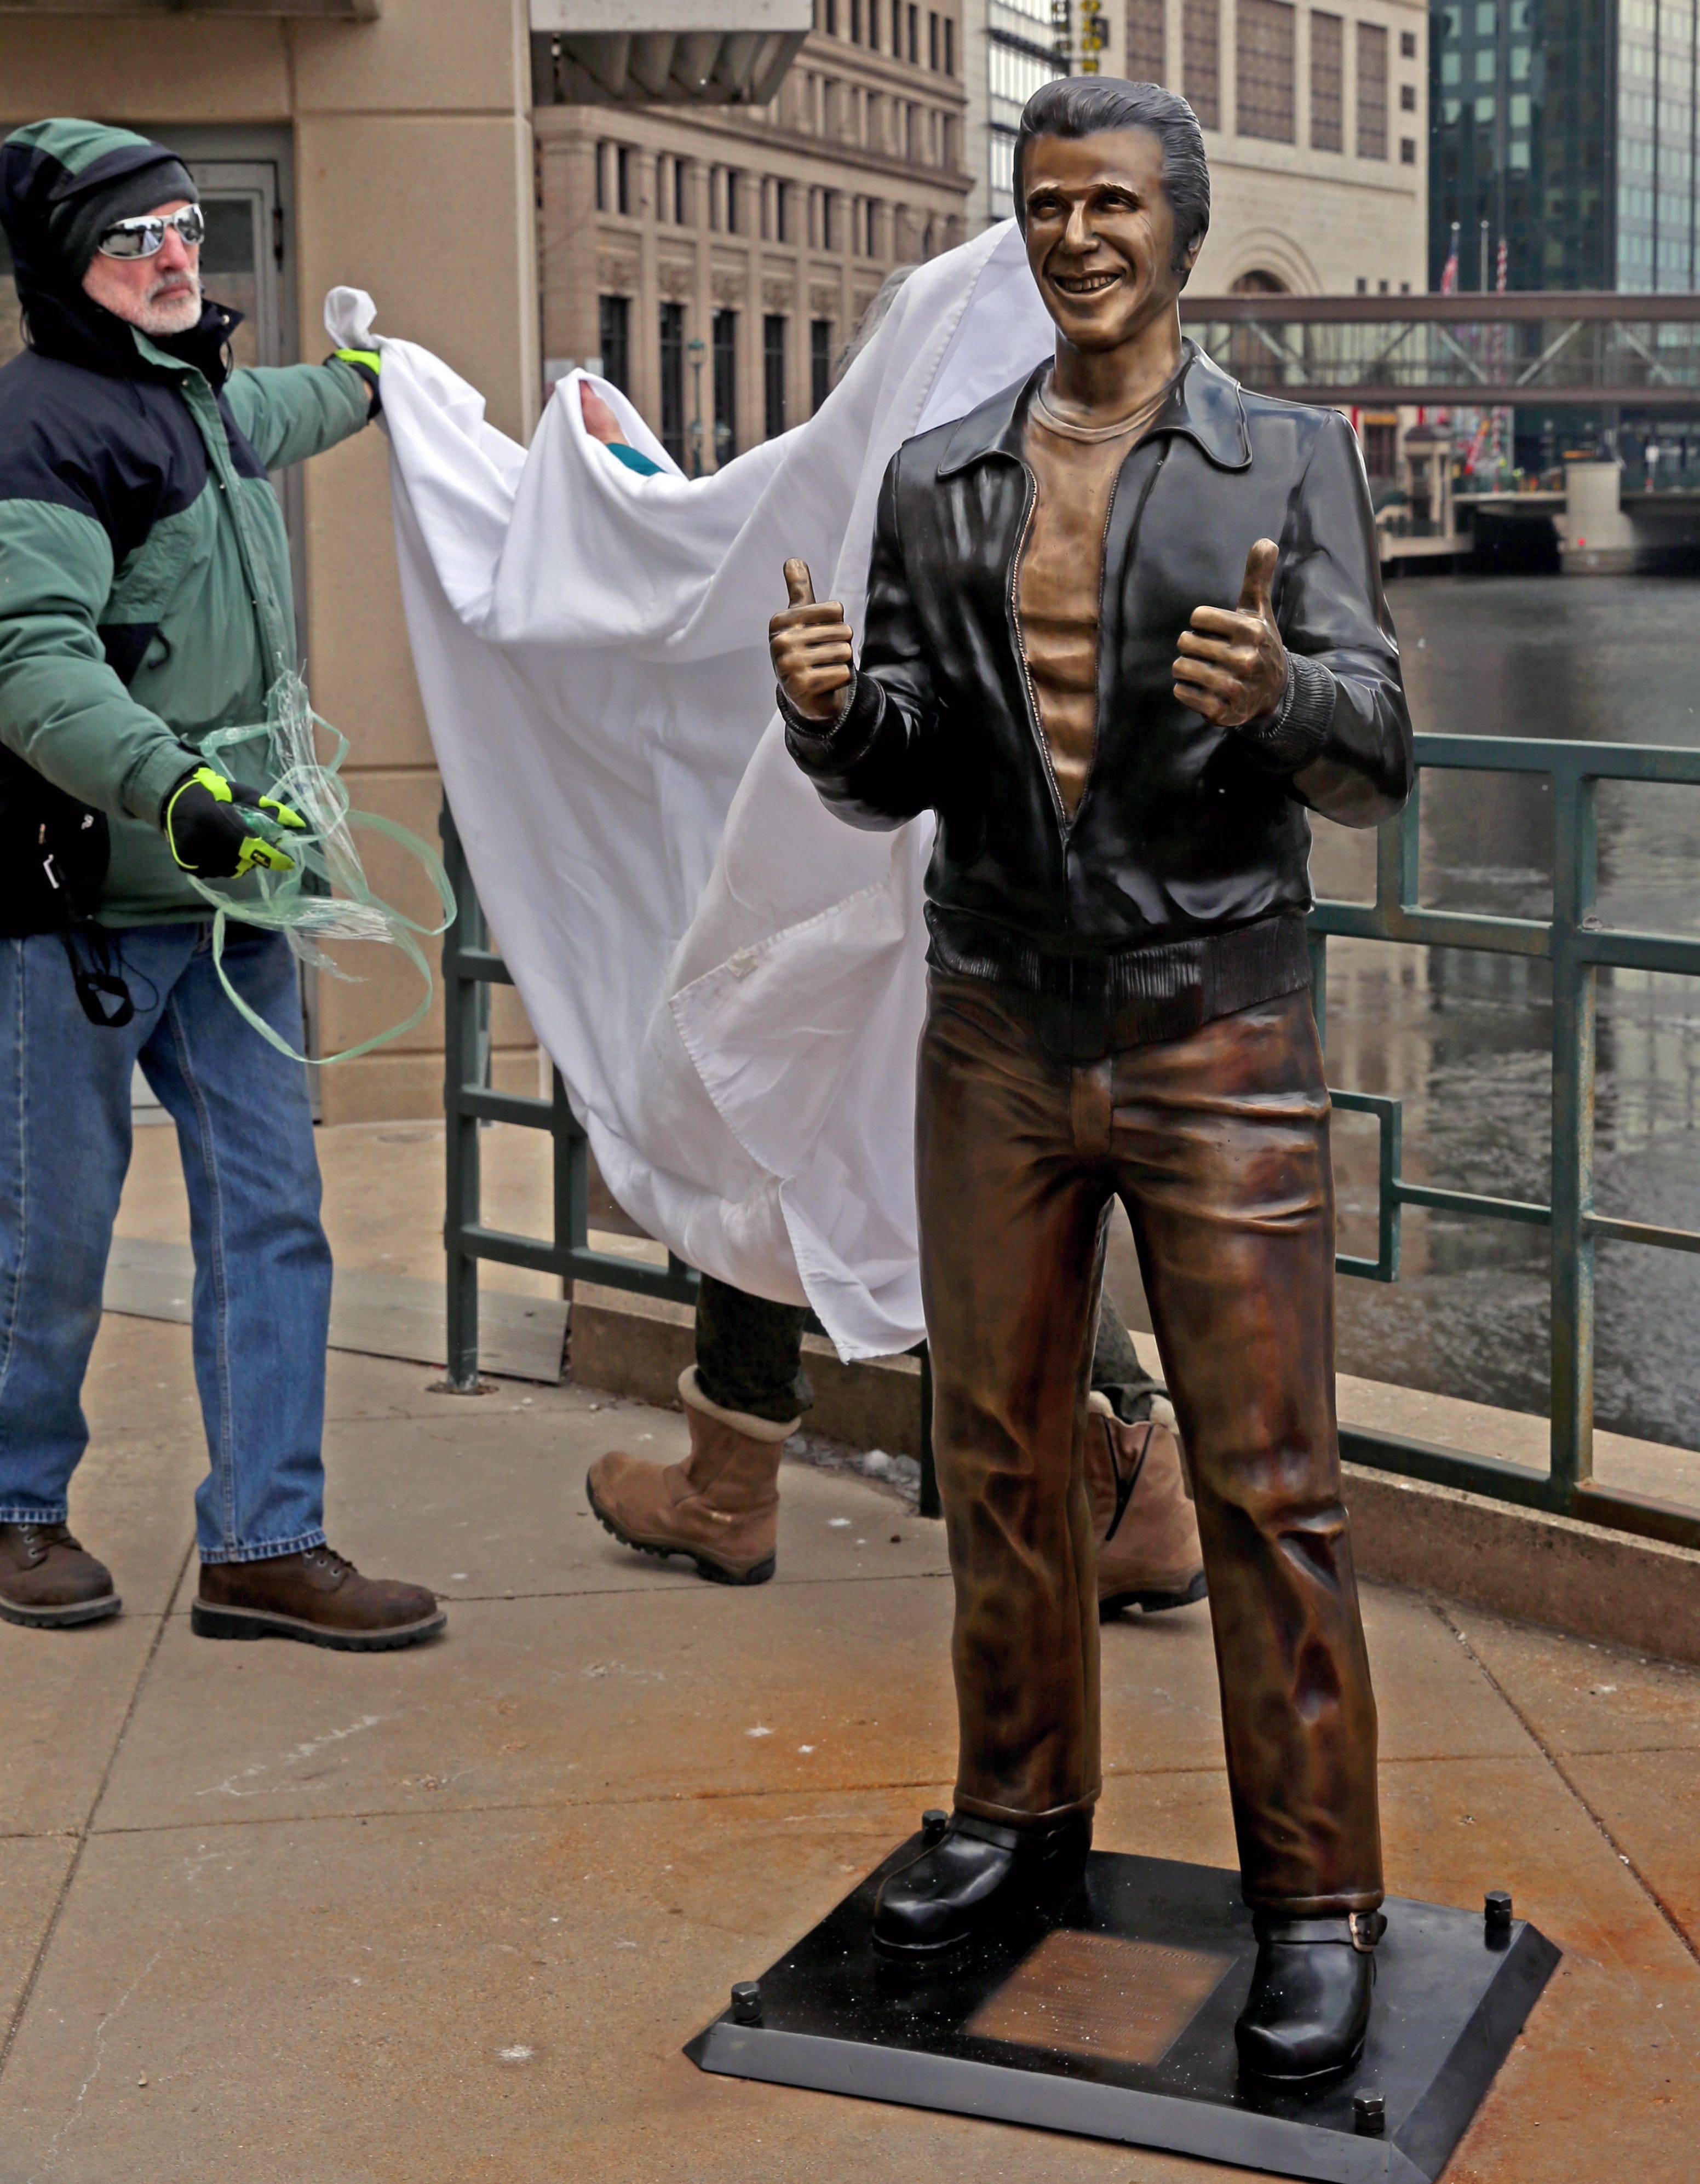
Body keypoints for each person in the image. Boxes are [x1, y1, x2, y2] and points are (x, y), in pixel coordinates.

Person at [769, 79, 1412, 2084]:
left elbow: (1378, 750)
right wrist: (825, 716)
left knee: (1266, 1485)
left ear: (1182, 228)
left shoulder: (1285, 458)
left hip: (1214, 1028)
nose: (1077, 237)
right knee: (997, 1455)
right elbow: (906, 764)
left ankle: (1314, 1898)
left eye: (1115, 204)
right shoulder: (941, 468)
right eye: (1048, 205)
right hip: (993, 1024)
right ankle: (1012, 1814)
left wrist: (1283, 693)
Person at [567, 380, 1205, 1614]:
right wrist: (641, 471)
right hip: (1005, 837)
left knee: (897, 1154)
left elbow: (782, 513)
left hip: (929, 835)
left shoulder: (978, 359)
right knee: (791, 1112)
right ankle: (736, 1475)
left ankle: (1122, 1465)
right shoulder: (1085, 397)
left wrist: (628, 491)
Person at [0, 119, 443, 1650]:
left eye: (187, 225)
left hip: (236, 894)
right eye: (136, 239)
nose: (177, 256)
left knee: (272, 1213)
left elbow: (305, 399)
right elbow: (32, 660)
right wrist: (168, 789)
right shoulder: (40, 430)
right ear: (67, 269)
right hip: (80, 905)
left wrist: (396, 387)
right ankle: (13, 1508)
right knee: (47, 1229)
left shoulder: (208, 402)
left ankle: (268, 1538)